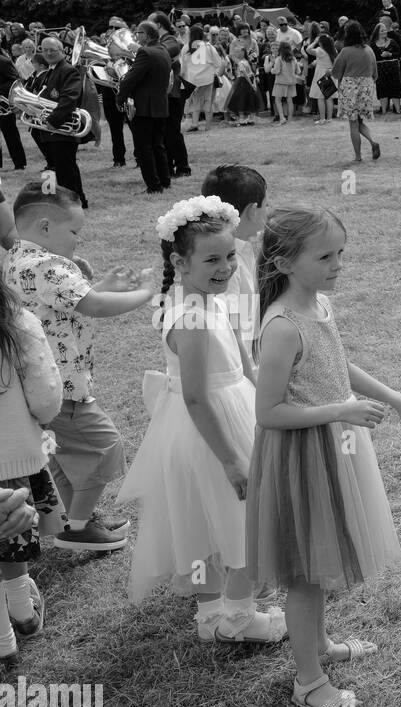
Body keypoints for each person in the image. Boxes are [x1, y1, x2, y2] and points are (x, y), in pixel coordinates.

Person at [248, 206, 401, 707]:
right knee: (304, 573)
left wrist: (398, 398)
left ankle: (318, 644)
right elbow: (269, 412)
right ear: (283, 263)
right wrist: (340, 410)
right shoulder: (280, 326)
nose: (338, 263)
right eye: (325, 256)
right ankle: (309, 681)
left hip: (331, 447)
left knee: (320, 563)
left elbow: (338, 364)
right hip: (300, 457)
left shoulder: (318, 306)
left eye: (340, 252)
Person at [118, 196, 285, 646]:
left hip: (233, 410)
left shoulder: (205, 298)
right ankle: (237, 617)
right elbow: (194, 395)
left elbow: (243, 366)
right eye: (212, 258)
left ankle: (212, 616)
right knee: (241, 519)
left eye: (231, 255)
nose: (226, 267)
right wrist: (232, 459)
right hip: (210, 427)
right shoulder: (190, 315)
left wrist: (263, 396)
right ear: (179, 260)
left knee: (210, 521)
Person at [6, 183, 155, 553]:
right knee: (107, 447)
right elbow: (95, 306)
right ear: (44, 227)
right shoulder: (47, 265)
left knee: (57, 454)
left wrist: (105, 285)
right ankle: (77, 528)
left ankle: (69, 520)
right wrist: (146, 293)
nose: (77, 241)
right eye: (74, 232)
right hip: (64, 389)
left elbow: (73, 300)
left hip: (36, 388)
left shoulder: (15, 260)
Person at [0, 270, 61, 657]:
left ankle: (4, 643)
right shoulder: (18, 321)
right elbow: (45, 394)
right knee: (13, 542)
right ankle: (22, 611)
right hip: (12, 460)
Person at [201, 164, 267, 355]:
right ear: (253, 210)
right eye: (266, 204)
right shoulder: (227, 265)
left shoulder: (243, 248)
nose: (268, 210)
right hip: (239, 366)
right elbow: (230, 331)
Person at [29, 36, 87, 210]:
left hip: (62, 128)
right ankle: (78, 201)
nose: (48, 53)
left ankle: (71, 204)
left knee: (65, 168)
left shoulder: (68, 70)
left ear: (62, 51)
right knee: (62, 166)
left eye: (52, 50)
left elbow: (69, 99)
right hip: (53, 129)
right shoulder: (51, 71)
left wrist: (53, 121)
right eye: (44, 50)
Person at [117, 21, 172, 194]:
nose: (136, 36)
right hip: (160, 106)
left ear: (147, 35)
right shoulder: (163, 50)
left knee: (144, 149)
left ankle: (153, 186)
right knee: (158, 146)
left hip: (144, 108)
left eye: (139, 33)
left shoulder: (145, 52)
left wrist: (120, 98)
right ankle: (164, 181)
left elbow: (130, 79)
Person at [148, 13, 190, 181]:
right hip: (165, 92)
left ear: (158, 25)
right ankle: (169, 167)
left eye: (149, 24)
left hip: (173, 93)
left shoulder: (171, 41)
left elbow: (162, 53)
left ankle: (183, 167)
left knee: (172, 132)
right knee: (165, 133)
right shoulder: (160, 42)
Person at [331, 21, 381, 163]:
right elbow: (375, 74)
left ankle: (358, 156)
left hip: (350, 88)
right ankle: (373, 141)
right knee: (359, 122)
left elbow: (336, 73)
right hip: (366, 86)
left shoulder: (345, 51)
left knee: (353, 123)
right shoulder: (369, 50)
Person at [307, 33, 336, 124]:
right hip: (330, 74)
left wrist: (314, 41)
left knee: (320, 98)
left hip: (321, 74)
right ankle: (329, 118)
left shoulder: (320, 50)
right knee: (329, 98)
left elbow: (308, 49)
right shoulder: (333, 50)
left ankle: (322, 118)